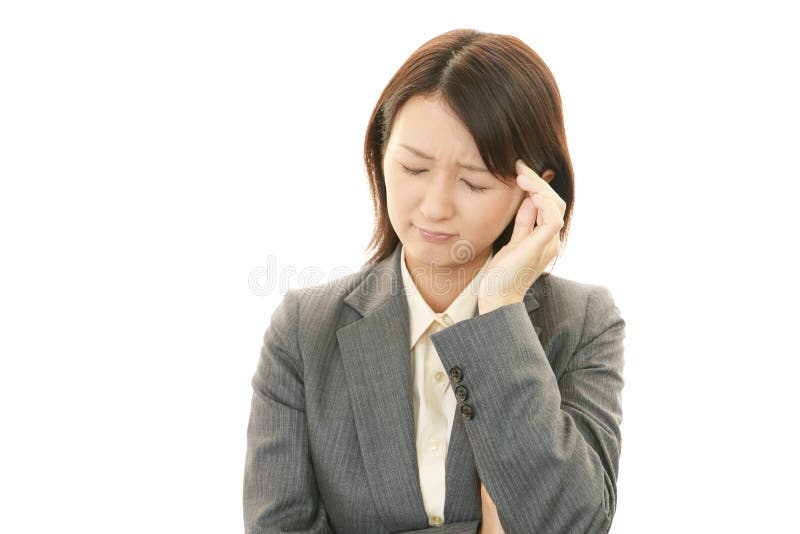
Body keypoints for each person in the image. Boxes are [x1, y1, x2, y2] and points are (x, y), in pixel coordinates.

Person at [243, 28, 626, 534]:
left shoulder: (584, 323)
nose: (435, 207)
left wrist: (502, 309)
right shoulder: (303, 330)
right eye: (414, 168)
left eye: (474, 182)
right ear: (380, 155)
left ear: (534, 191)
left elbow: (570, 525)